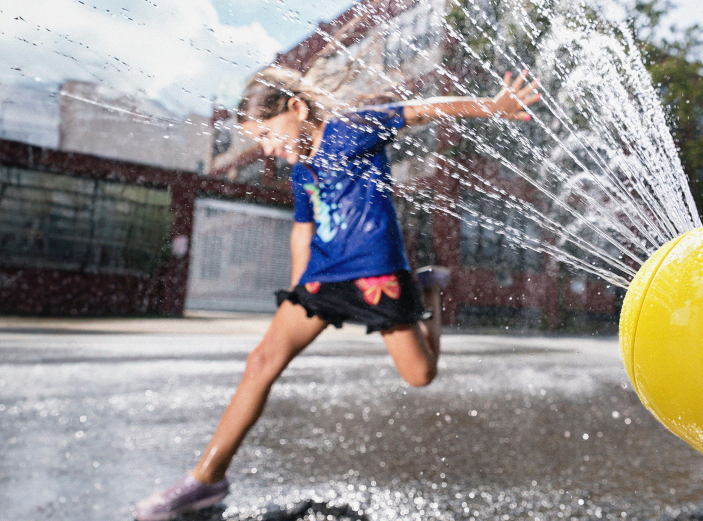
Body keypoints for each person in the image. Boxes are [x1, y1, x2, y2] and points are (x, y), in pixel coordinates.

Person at [133, 66, 540, 521]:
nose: (267, 148)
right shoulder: (301, 169)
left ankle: (426, 294)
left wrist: (494, 106)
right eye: (259, 141)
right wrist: (297, 292)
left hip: (375, 275)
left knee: (420, 375)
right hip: (323, 276)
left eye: (267, 134)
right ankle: (204, 482)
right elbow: (301, 231)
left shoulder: (353, 128)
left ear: (297, 108)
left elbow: (422, 110)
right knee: (261, 362)